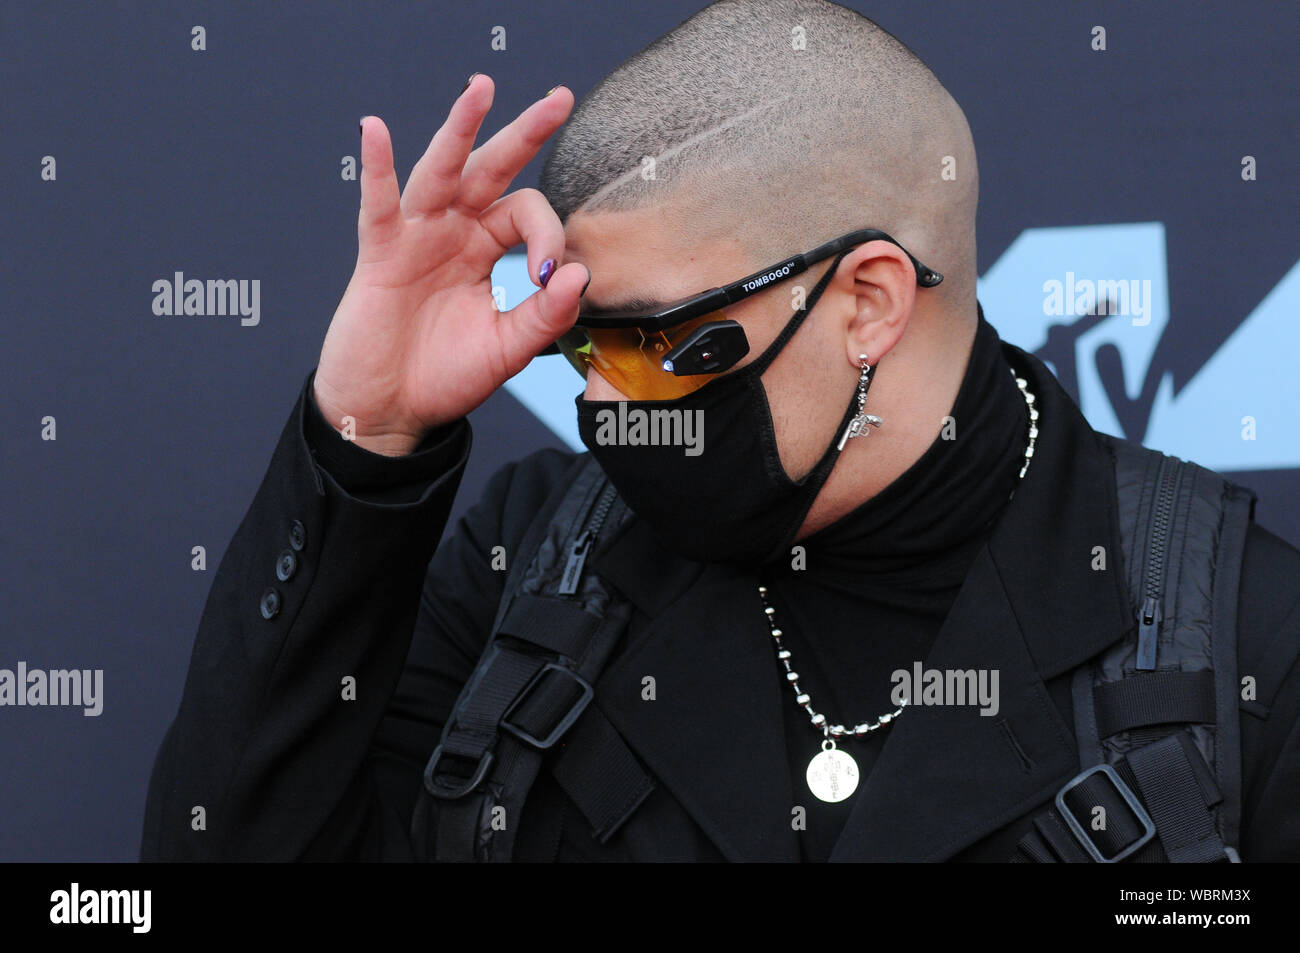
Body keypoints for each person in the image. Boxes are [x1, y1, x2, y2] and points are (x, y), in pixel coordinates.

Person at [140, 0, 1300, 862]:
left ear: (869, 302)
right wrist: (368, 438)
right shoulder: (529, 562)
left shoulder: (1241, 640)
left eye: (667, 345)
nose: (605, 405)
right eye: (582, 347)